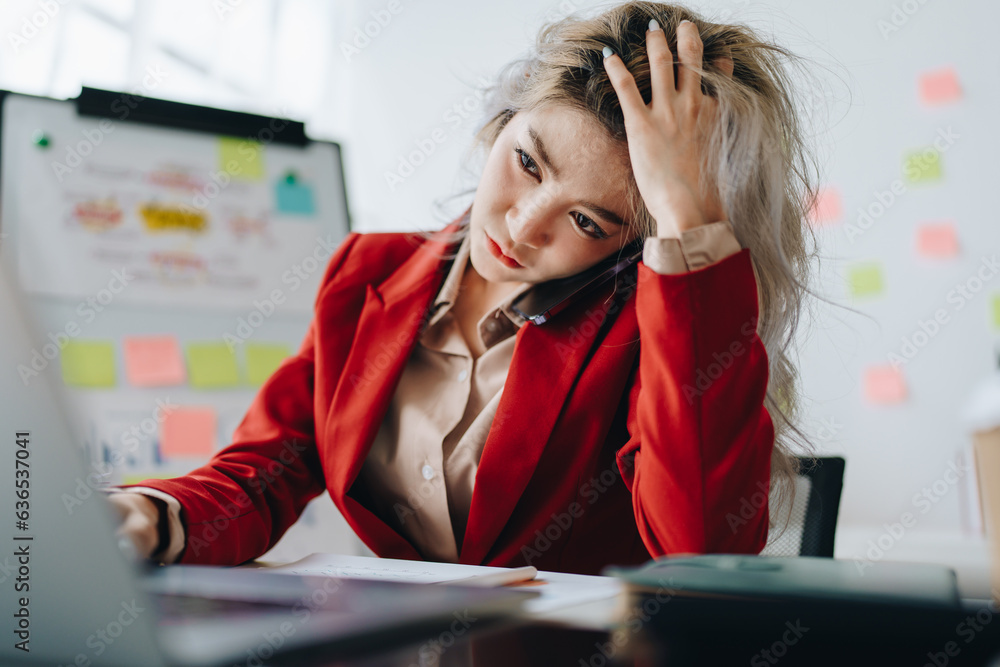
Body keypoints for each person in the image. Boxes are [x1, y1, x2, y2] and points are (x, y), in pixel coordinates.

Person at [108, 1, 820, 574]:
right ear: (498, 125)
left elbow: (701, 551)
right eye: (528, 162)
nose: (524, 223)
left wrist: (686, 218)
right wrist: (158, 515)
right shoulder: (367, 274)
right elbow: (268, 469)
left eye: (587, 219)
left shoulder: (652, 327)